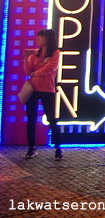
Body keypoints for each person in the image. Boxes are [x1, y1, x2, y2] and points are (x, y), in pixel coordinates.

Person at [22, 29, 62, 160]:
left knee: (51, 119)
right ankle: (31, 148)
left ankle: (58, 148)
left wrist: (35, 73)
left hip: (47, 89)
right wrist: (26, 60)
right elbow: (28, 71)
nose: (38, 38)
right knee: (31, 119)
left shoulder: (56, 53)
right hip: (32, 89)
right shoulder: (35, 54)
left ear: (48, 38)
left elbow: (49, 68)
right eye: (38, 36)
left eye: (41, 36)